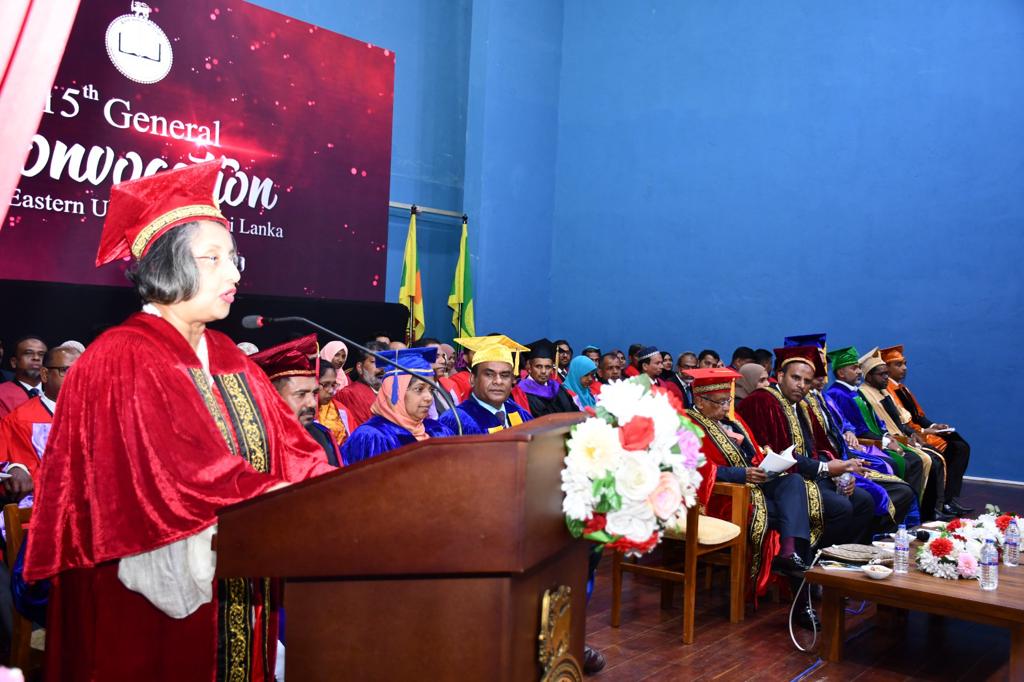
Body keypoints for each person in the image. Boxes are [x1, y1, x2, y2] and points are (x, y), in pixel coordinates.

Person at [23, 160, 336, 681]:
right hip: (149, 601)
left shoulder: (228, 356)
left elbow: (294, 450)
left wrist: (347, 490)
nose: (235, 273)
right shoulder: (121, 357)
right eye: (212, 258)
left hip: (239, 579)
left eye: (233, 257)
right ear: (167, 267)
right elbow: (184, 478)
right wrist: (287, 500)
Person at [685, 368, 824, 607]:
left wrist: (768, 464)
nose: (726, 407)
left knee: (794, 482)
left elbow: (755, 453)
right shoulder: (686, 423)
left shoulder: (732, 420)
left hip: (755, 485)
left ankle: (789, 554)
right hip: (721, 496)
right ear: (699, 400)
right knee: (795, 514)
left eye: (728, 400)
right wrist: (743, 473)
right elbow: (693, 469)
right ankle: (802, 600)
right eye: (720, 402)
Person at [736, 346, 873, 549]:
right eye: (796, 378)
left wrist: (839, 473)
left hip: (812, 475)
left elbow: (820, 447)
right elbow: (775, 456)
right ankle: (813, 564)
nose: (801, 385)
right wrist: (827, 469)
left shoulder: (801, 404)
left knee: (864, 501)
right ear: (780, 376)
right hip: (784, 481)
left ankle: (844, 561)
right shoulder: (762, 402)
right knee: (841, 508)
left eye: (807, 381)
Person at [856, 348, 950, 520]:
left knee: (935, 458)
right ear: (868, 376)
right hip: (885, 441)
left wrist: (912, 433)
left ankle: (932, 509)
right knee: (921, 461)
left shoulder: (885, 392)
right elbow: (876, 426)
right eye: (881, 374)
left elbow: (900, 421)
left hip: (899, 436)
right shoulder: (863, 394)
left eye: (886, 374)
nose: (886, 378)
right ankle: (916, 512)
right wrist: (898, 439)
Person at [882, 344, 972, 515]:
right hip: (910, 434)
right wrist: (924, 432)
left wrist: (933, 426)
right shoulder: (888, 391)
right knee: (955, 448)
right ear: (886, 367)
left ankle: (949, 498)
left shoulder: (903, 389)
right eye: (898, 364)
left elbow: (918, 415)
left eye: (905, 363)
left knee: (959, 442)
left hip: (919, 430)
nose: (904, 368)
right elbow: (902, 422)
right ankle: (942, 501)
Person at [340, 347, 454, 465]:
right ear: (396, 392)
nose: (429, 397)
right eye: (419, 389)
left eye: (431, 389)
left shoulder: (438, 431)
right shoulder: (371, 437)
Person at [0, 345, 81, 496]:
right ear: (44, 374)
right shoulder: (20, 419)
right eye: (66, 370)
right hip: (42, 508)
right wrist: (13, 467)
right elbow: (6, 458)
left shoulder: (99, 417)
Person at [253, 334, 341, 467]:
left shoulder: (321, 435)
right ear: (273, 396)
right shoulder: (257, 443)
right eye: (301, 394)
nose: (312, 403)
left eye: (314, 393)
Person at [439, 336, 533, 435]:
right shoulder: (454, 421)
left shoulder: (521, 414)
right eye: (489, 374)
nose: (498, 381)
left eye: (505, 375)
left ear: (512, 380)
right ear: (472, 379)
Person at [515, 338, 578, 416]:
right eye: (538, 366)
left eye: (548, 367)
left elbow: (574, 412)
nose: (543, 371)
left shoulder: (558, 389)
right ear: (529, 368)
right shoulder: (520, 392)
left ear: (552, 369)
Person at [333, 340, 387, 430]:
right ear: (360, 368)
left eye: (385, 362)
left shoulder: (391, 393)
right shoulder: (348, 394)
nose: (381, 368)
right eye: (375, 362)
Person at [0, 337, 47, 418]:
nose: (36, 358)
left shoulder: (56, 393)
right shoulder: (2, 394)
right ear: (14, 362)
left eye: (41, 354)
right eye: (28, 353)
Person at [316, 362, 350, 448]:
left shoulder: (341, 410)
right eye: (325, 385)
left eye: (333, 385)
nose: (331, 391)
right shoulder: (303, 412)